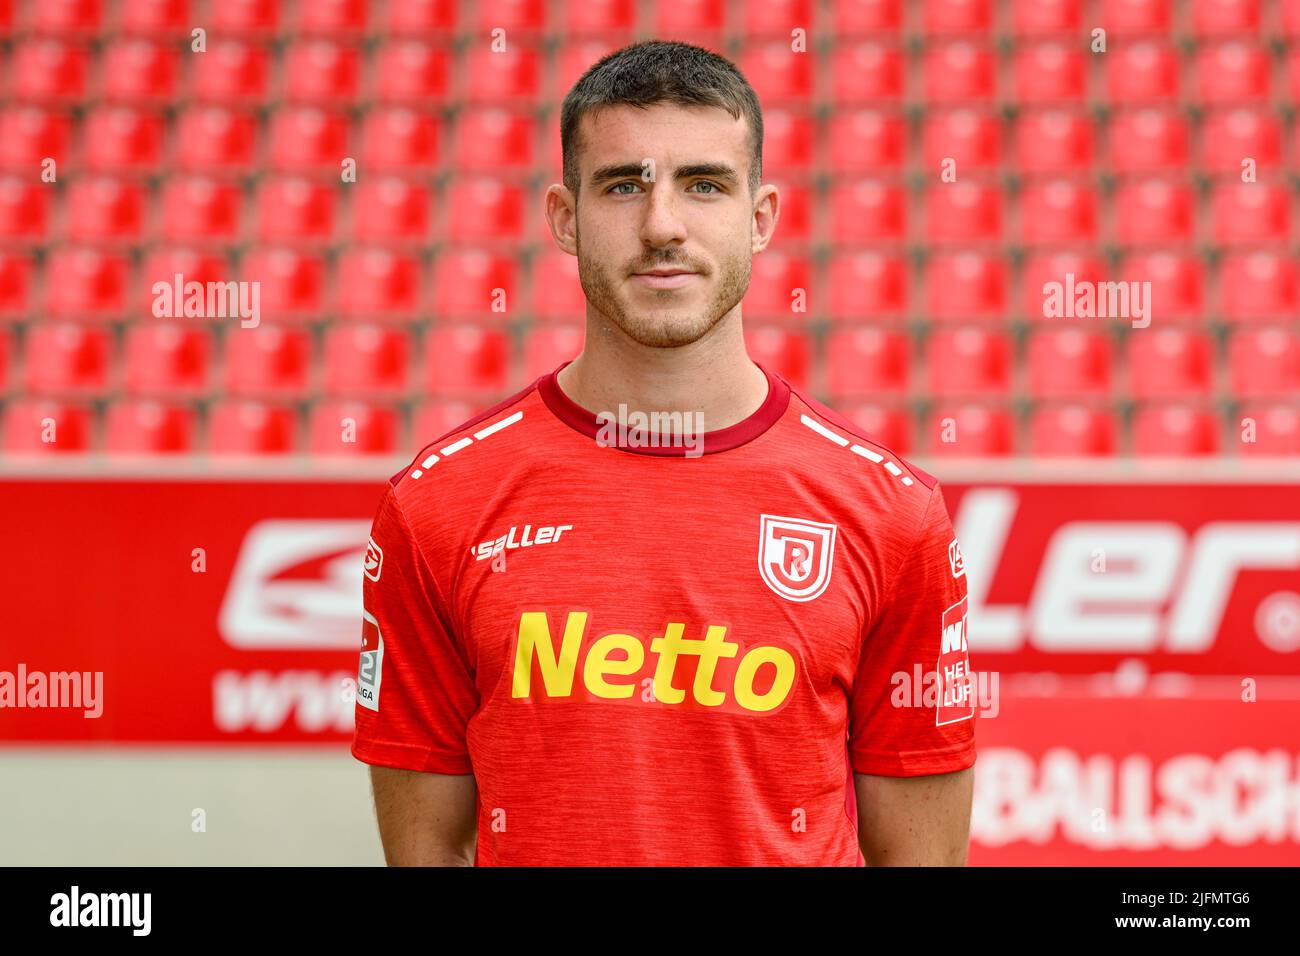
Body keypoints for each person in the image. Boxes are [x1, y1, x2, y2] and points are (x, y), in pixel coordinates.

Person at [351, 39, 975, 866]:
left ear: (762, 217)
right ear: (564, 217)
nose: (663, 226)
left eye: (705, 184)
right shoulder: (435, 506)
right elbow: (427, 852)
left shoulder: (894, 514)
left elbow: (922, 858)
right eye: (623, 185)